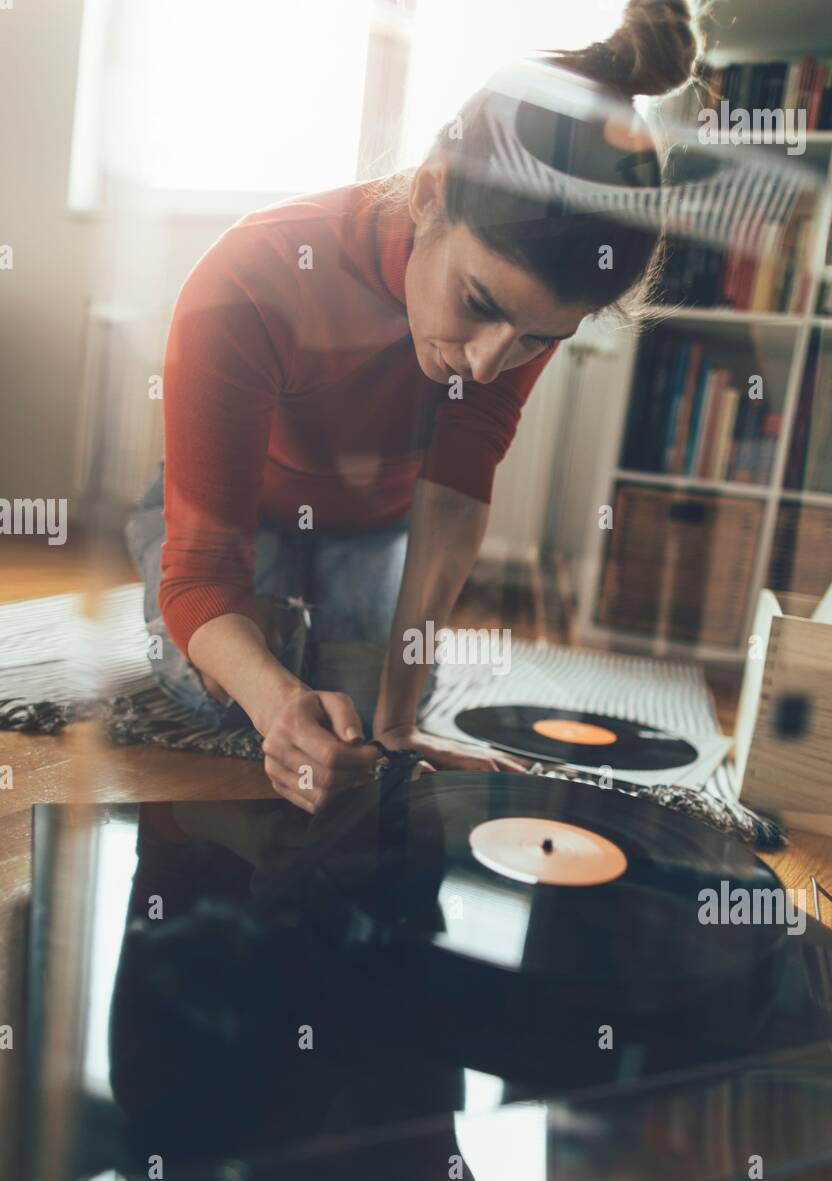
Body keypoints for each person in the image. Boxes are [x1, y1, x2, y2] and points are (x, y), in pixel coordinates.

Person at [126, 0, 699, 813]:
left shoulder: (515, 322)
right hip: (242, 513)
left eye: (541, 336)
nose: (491, 359)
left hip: (373, 522)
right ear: (432, 191)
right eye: (477, 301)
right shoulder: (246, 280)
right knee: (218, 693)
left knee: (362, 725)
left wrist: (398, 719)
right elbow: (202, 573)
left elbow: (457, 497)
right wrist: (275, 704)